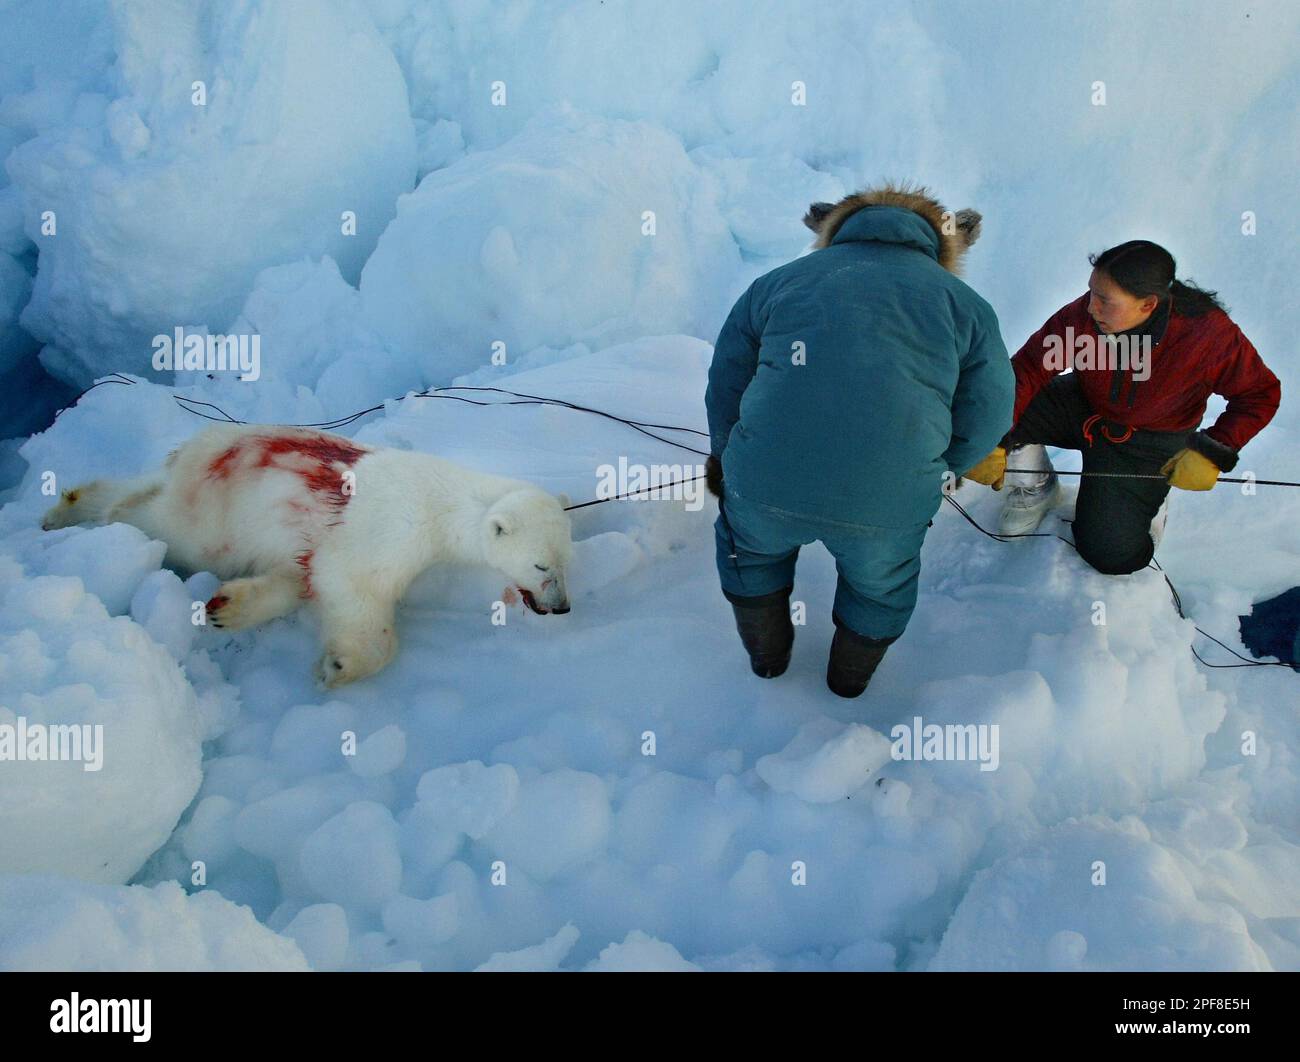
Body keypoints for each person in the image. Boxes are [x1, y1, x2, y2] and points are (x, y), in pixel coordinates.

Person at [704, 183, 1014, 698]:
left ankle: (766, 661)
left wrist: (727, 455)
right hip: (888, 496)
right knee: (881, 583)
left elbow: (727, 383)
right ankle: (848, 685)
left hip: (764, 480)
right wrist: (940, 467)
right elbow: (990, 409)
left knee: (750, 555)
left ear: (834, 231)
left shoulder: (777, 283)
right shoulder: (965, 305)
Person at [966, 240, 1280, 574]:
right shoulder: (1082, 318)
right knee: (989, 406)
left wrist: (1214, 449)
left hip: (1148, 442)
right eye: (1091, 293)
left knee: (1111, 554)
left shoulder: (1207, 337)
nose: (1091, 308)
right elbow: (1028, 368)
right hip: (1082, 406)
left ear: (1148, 304)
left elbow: (1260, 394)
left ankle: (1146, 508)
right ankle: (1037, 486)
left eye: (1104, 300)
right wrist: (991, 435)